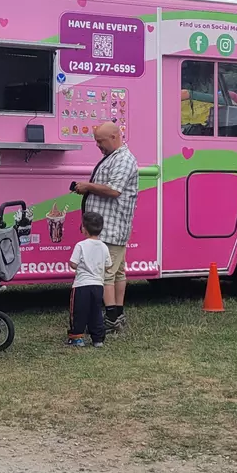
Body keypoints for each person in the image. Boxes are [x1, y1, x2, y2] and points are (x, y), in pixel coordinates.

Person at [74, 122, 139, 333]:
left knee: (107, 274)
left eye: (100, 142)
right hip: (111, 227)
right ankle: (117, 313)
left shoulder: (123, 159)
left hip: (112, 228)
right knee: (118, 272)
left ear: (113, 137)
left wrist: (88, 187)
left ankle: (111, 318)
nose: (98, 146)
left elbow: (114, 190)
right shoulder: (114, 157)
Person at [67, 211, 113, 348]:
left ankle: (77, 338)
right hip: (98, 285)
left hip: (81, 285)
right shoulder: (104, 246)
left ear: (84, 229)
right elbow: (108, 266)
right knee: (96, 312)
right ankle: (98, 339)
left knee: (79, 312)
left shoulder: (80, 245)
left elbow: (73, 264)